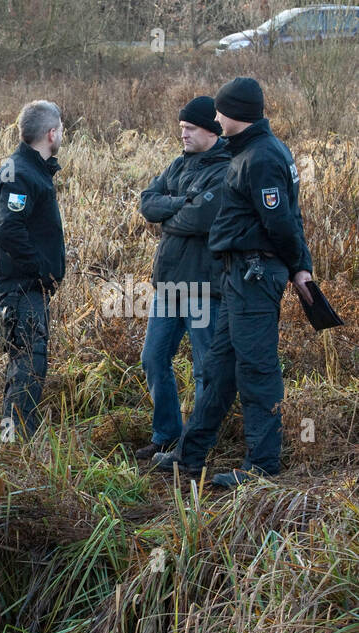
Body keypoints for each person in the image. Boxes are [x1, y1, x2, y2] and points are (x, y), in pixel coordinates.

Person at [153, 77, 314, 488]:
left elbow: (282, 222)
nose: (216, 117)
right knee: (221, 368)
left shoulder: (260, 158)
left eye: (221, 112)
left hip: (255, 275)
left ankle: (262, 467)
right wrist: (298, 264)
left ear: (236, 114)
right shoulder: (251, 151)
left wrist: (299, 267)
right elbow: (289, 219)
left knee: (257, 370)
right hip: (240, 275)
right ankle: (189, 456)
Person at [135, 96, 230, 461]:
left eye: (189, 129)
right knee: (153, 358)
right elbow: (147, 203)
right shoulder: (178, 164)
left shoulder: (225, 169)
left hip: (204, 289)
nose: (184, 135)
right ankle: (167, 435)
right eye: (181, 129)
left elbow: (200, 219)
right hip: (168, 284)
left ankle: (197, 445)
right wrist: (180, 202)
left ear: (211, 130)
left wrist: (172, 210)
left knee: (205, 367)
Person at [0, 100, 66, 439]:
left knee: (27, 362)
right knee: (28, 366)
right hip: (21, 288)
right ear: (51, 134)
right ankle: (15, 441)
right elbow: (9, 230)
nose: (62, 135)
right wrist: (40, 271)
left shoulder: (30, 170)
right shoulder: (19, 173)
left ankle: (15, 438)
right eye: (61, 130)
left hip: (27, 286)